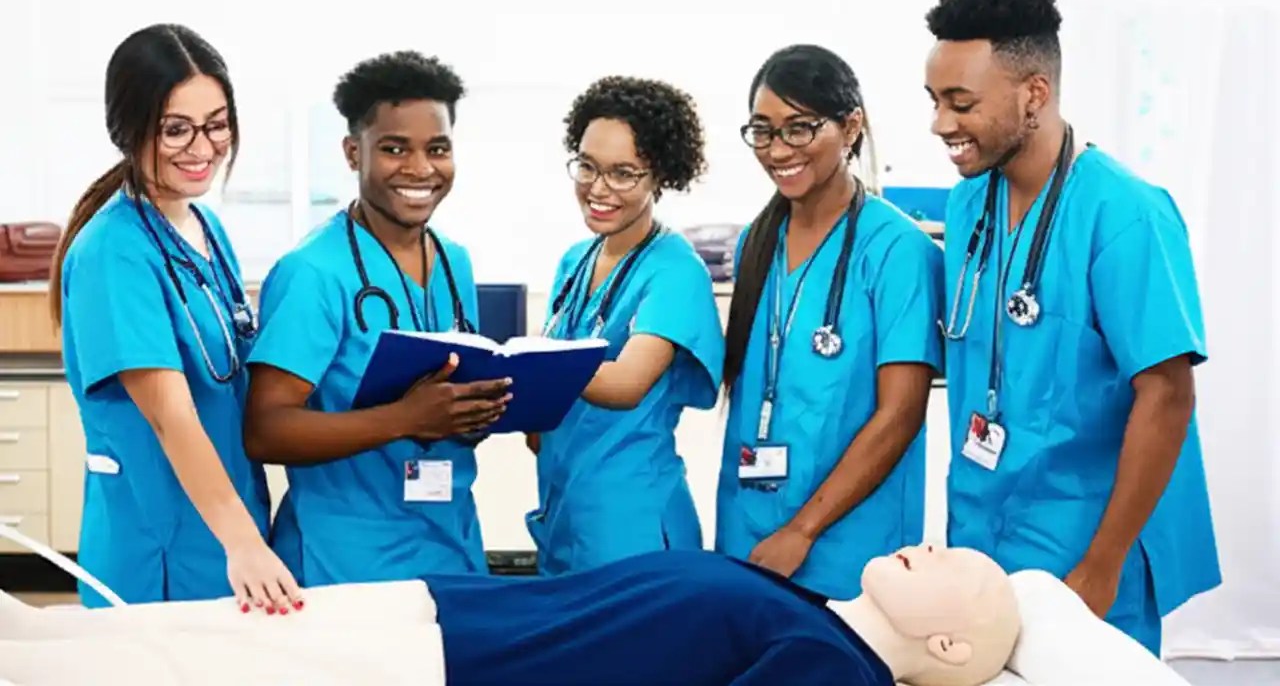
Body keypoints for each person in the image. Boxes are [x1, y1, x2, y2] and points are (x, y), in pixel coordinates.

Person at [924, 0, 1219, 656]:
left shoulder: (1125, 214)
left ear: (1035, 93)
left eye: (961, 102)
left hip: (1084, 537)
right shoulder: (969, 205)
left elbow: (1168, 395)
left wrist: (1103, 564)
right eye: (935, 101)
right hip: (982, 529)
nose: (941, 124)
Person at [48, 24, 300, 613]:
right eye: (175, 129)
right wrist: (242, 543)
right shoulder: (114, 250)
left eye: (216, 124)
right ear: (126, 130)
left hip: (224, 530)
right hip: (158, 551)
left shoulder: (202, 228)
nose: (203, 147)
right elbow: (170, 416)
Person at [0, 544, 1022, 686]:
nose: (934, 545)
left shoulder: (833, 671)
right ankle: (37, 632)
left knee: (194, 670)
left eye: (955, 571)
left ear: (945, 646)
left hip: (458, 666)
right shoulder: (813, 609)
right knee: (209, 623)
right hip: (454, 606)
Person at [242, 51, 511, 587]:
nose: (420, 169)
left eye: (438, 149)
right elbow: (265, 430)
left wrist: (474, 412)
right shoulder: (313, 273)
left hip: (448, 540)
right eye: (394, 149)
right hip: (346, 557)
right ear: (352, 152)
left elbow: (446, 398)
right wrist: (408, 418)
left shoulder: (454, 261)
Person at [715, 44, 946, 601]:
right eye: (763, 131)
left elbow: (901, 413)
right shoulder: (754, 243)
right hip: (747, 534)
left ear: (851, 127)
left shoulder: (897, 250)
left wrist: (803, 530)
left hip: (847, 550)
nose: (779, 149)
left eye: (800, 128)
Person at [525, 75, 724, 575]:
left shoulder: (675, 270)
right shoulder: (575, 260)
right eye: (587, 166)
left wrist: (531, 360)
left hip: (630, 521)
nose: (598, 188)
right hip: (564, 509)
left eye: (622, 173)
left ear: (661, 174)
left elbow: (627, 384)